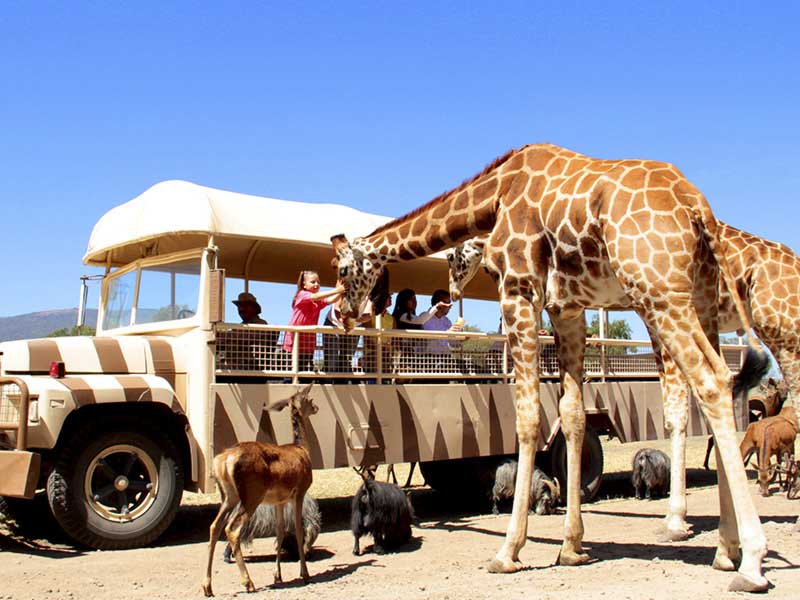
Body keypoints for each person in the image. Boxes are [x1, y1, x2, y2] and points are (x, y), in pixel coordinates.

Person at [283, 271, 345, 372]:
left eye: (318, 282)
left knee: (305, 371)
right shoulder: (301, 294)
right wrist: (338, 290)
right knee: (291, 371)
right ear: (304, 284)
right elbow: (316, 296)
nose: (316, 284)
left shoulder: (317, 301)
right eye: (313, 282)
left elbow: (330, 300)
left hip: (308, 343)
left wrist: (342, 292)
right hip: (294, 341)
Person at [323, 283, 371, 379]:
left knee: (346, 359)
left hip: (353, 327)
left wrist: (354, 321)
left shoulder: (368, 292)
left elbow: (368, 315)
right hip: (334, 324)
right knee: (332, 360)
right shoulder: (347, 286)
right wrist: (346, 323)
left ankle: (342, 382)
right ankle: (328, 381)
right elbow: (337, 310)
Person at [421, 289, 463, 374]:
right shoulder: (425, 317)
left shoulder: (447, 321)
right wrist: (447, 332)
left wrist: (461, 339)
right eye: (446, 303)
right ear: (439, 304)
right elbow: (429, 337)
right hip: (429, 360)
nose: (450, 305)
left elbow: (453, 343)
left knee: (468, 368)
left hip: (445, 359)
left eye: (450, 302)